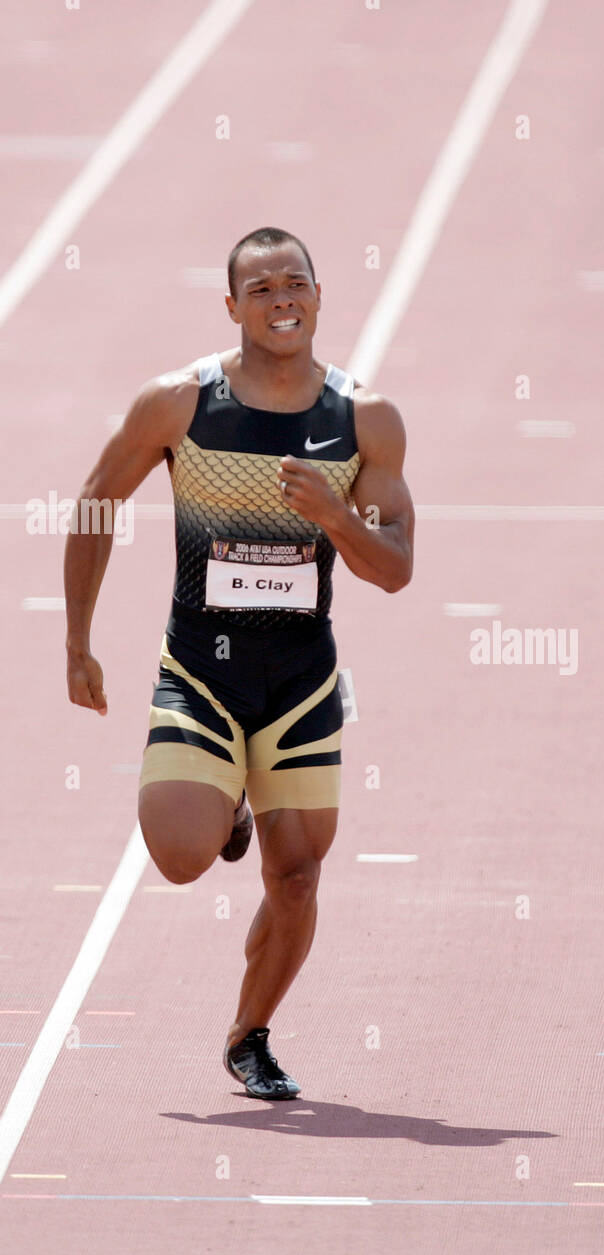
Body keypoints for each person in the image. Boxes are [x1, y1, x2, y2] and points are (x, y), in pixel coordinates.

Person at [64, 227, 414, 1092]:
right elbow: (97, 501)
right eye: (259, 289)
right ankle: (223, 811)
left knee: (296, 877)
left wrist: (334, 519)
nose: (280, 298)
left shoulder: (363, 419)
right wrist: (77, 641)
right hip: (202, 671)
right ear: (232, 308)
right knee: (181, 856)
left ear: (321, 296)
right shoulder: (179, 405)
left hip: (300, 681)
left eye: (295, 282)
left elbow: (398, 569)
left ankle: (249, 1035)